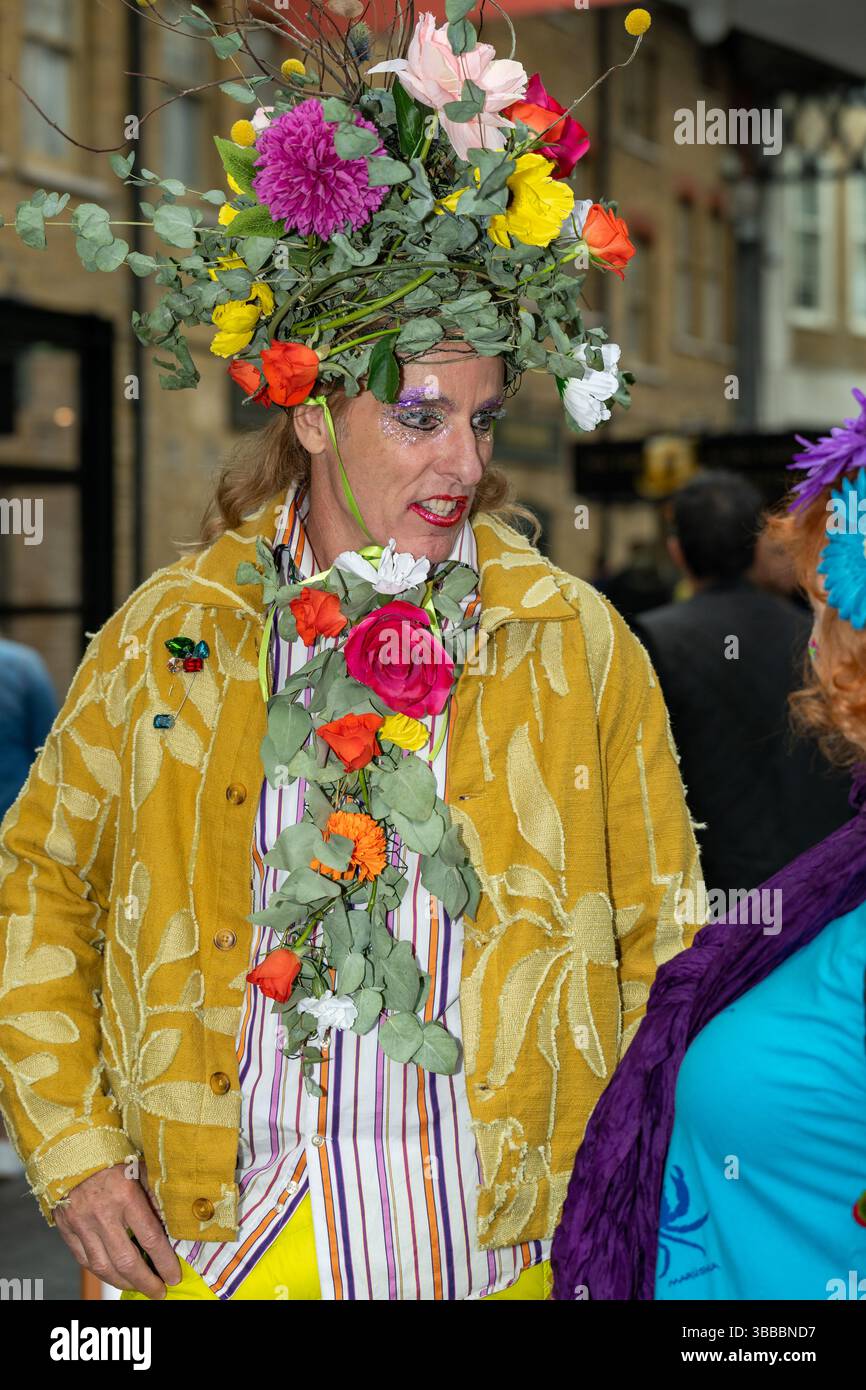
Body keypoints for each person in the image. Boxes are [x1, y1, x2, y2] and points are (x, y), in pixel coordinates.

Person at [0, 5, 698, 1301]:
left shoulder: (573, 643)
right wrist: (78, 1153)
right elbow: (33, 881)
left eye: (484, 419)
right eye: (419, 416)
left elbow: (662, 945)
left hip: (489, 1253)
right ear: (313, 410)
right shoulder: (176, 630)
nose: (466, 462)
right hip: (211, 1252)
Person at [550, 388, 866, 1301]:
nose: (816, 643)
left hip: (745, 914)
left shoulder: (654, 643)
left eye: (829, 609)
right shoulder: (754, 640)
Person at [635, 470, 850, 896]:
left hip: (714, 893)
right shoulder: (818, 636)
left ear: (677, 552)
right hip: (820, 885)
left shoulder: (650, 641)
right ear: (757, 547)